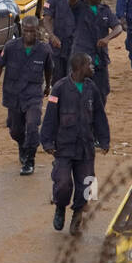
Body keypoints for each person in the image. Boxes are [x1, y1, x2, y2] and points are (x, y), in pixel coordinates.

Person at [40, 52, 110, 235]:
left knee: (87, 184)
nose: (92, 67)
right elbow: (50, 116)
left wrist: (104, 140)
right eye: (89, 64)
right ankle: (60, 207)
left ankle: (77, 215)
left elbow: (100, 116)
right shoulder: (59, 89)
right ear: (79, 67)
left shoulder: (92, 88)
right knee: (62, 183)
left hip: (86, 147)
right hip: (64, 147)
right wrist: (47, 141)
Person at [0, 16, 53, 175]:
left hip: (33, 94)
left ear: (38, 30)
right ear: (22, 30)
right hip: (14, 94)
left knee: (32, 125)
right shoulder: (11, 47)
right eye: (26, 31)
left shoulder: (44, 50)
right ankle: (22, 145)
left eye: (32, 31)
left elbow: (49, 69)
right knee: (15, 130)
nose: (29, 34)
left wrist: (48, 85)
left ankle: (29, 161)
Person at [70, 0, 122, 106]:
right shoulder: (79, 7)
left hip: (100, 59)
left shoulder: (105, 9)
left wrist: (108, 38)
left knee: (102, 92)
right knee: (79, 92)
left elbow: (118, 27)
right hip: (82, 59)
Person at [42, 0, 81, 84]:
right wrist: (52, 36)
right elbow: (47, 19)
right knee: (57, 76)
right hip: (58, 44)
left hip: (76, 42)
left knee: (74, 75)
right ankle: (56, 100)